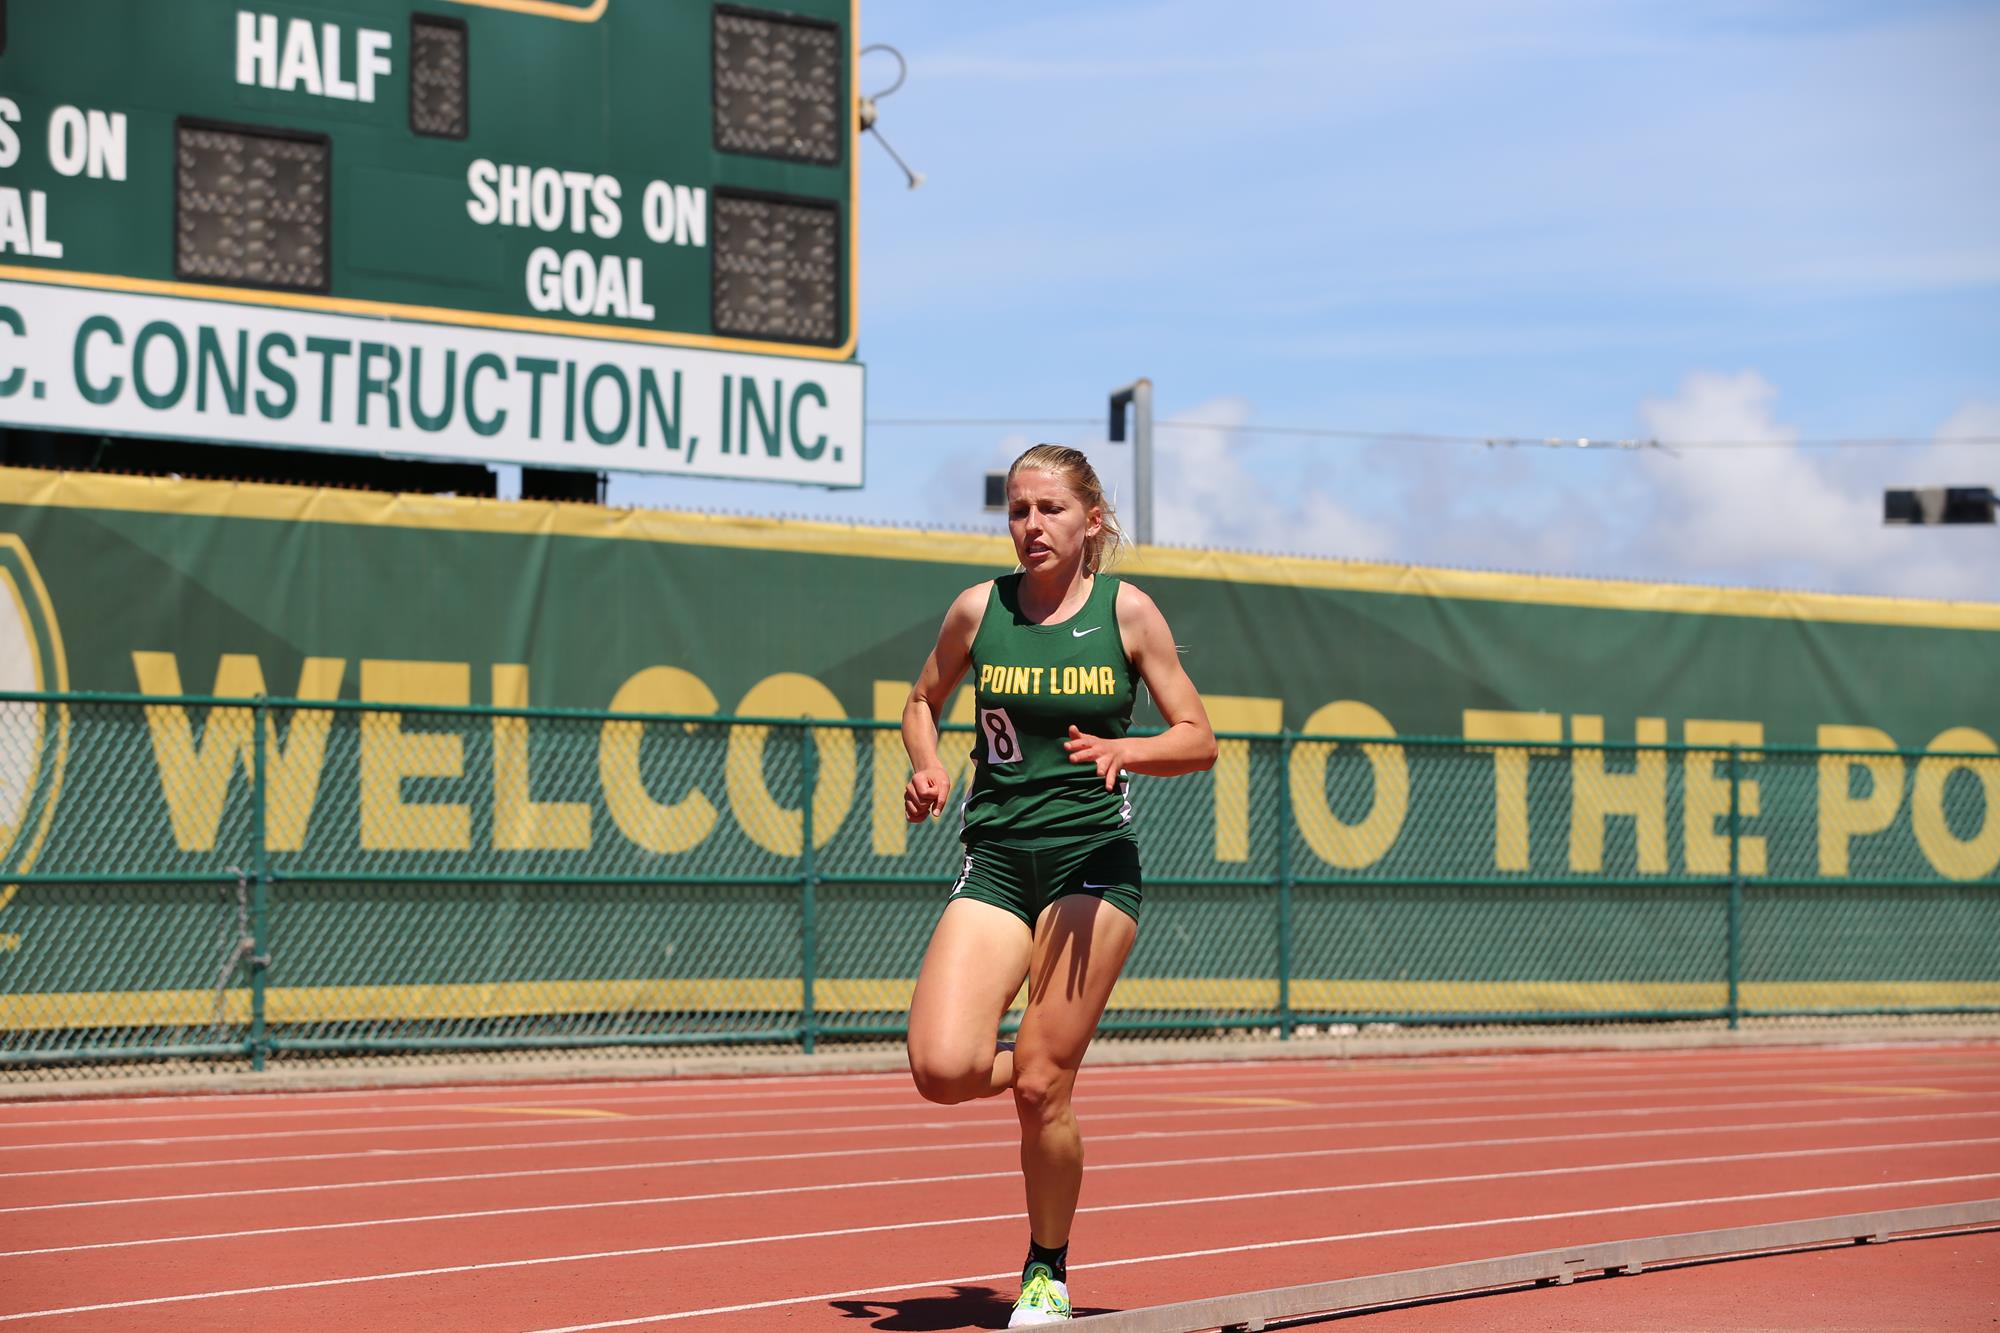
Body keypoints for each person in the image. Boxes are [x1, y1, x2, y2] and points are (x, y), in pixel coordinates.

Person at [901, 444, 1217, 1326]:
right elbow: (921, 699)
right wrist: (928, 768)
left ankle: (1046, 1269)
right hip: (998, 861)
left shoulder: (1129, 613)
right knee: (942, 1069)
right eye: (1017, 510)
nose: (1030, 527)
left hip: (1091, 864)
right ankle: (1040, 1058)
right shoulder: (979, 609)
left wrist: (1130, 749)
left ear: (1093, 522)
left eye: (1049, 510)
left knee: (1042, 1090)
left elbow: (1198, 736)